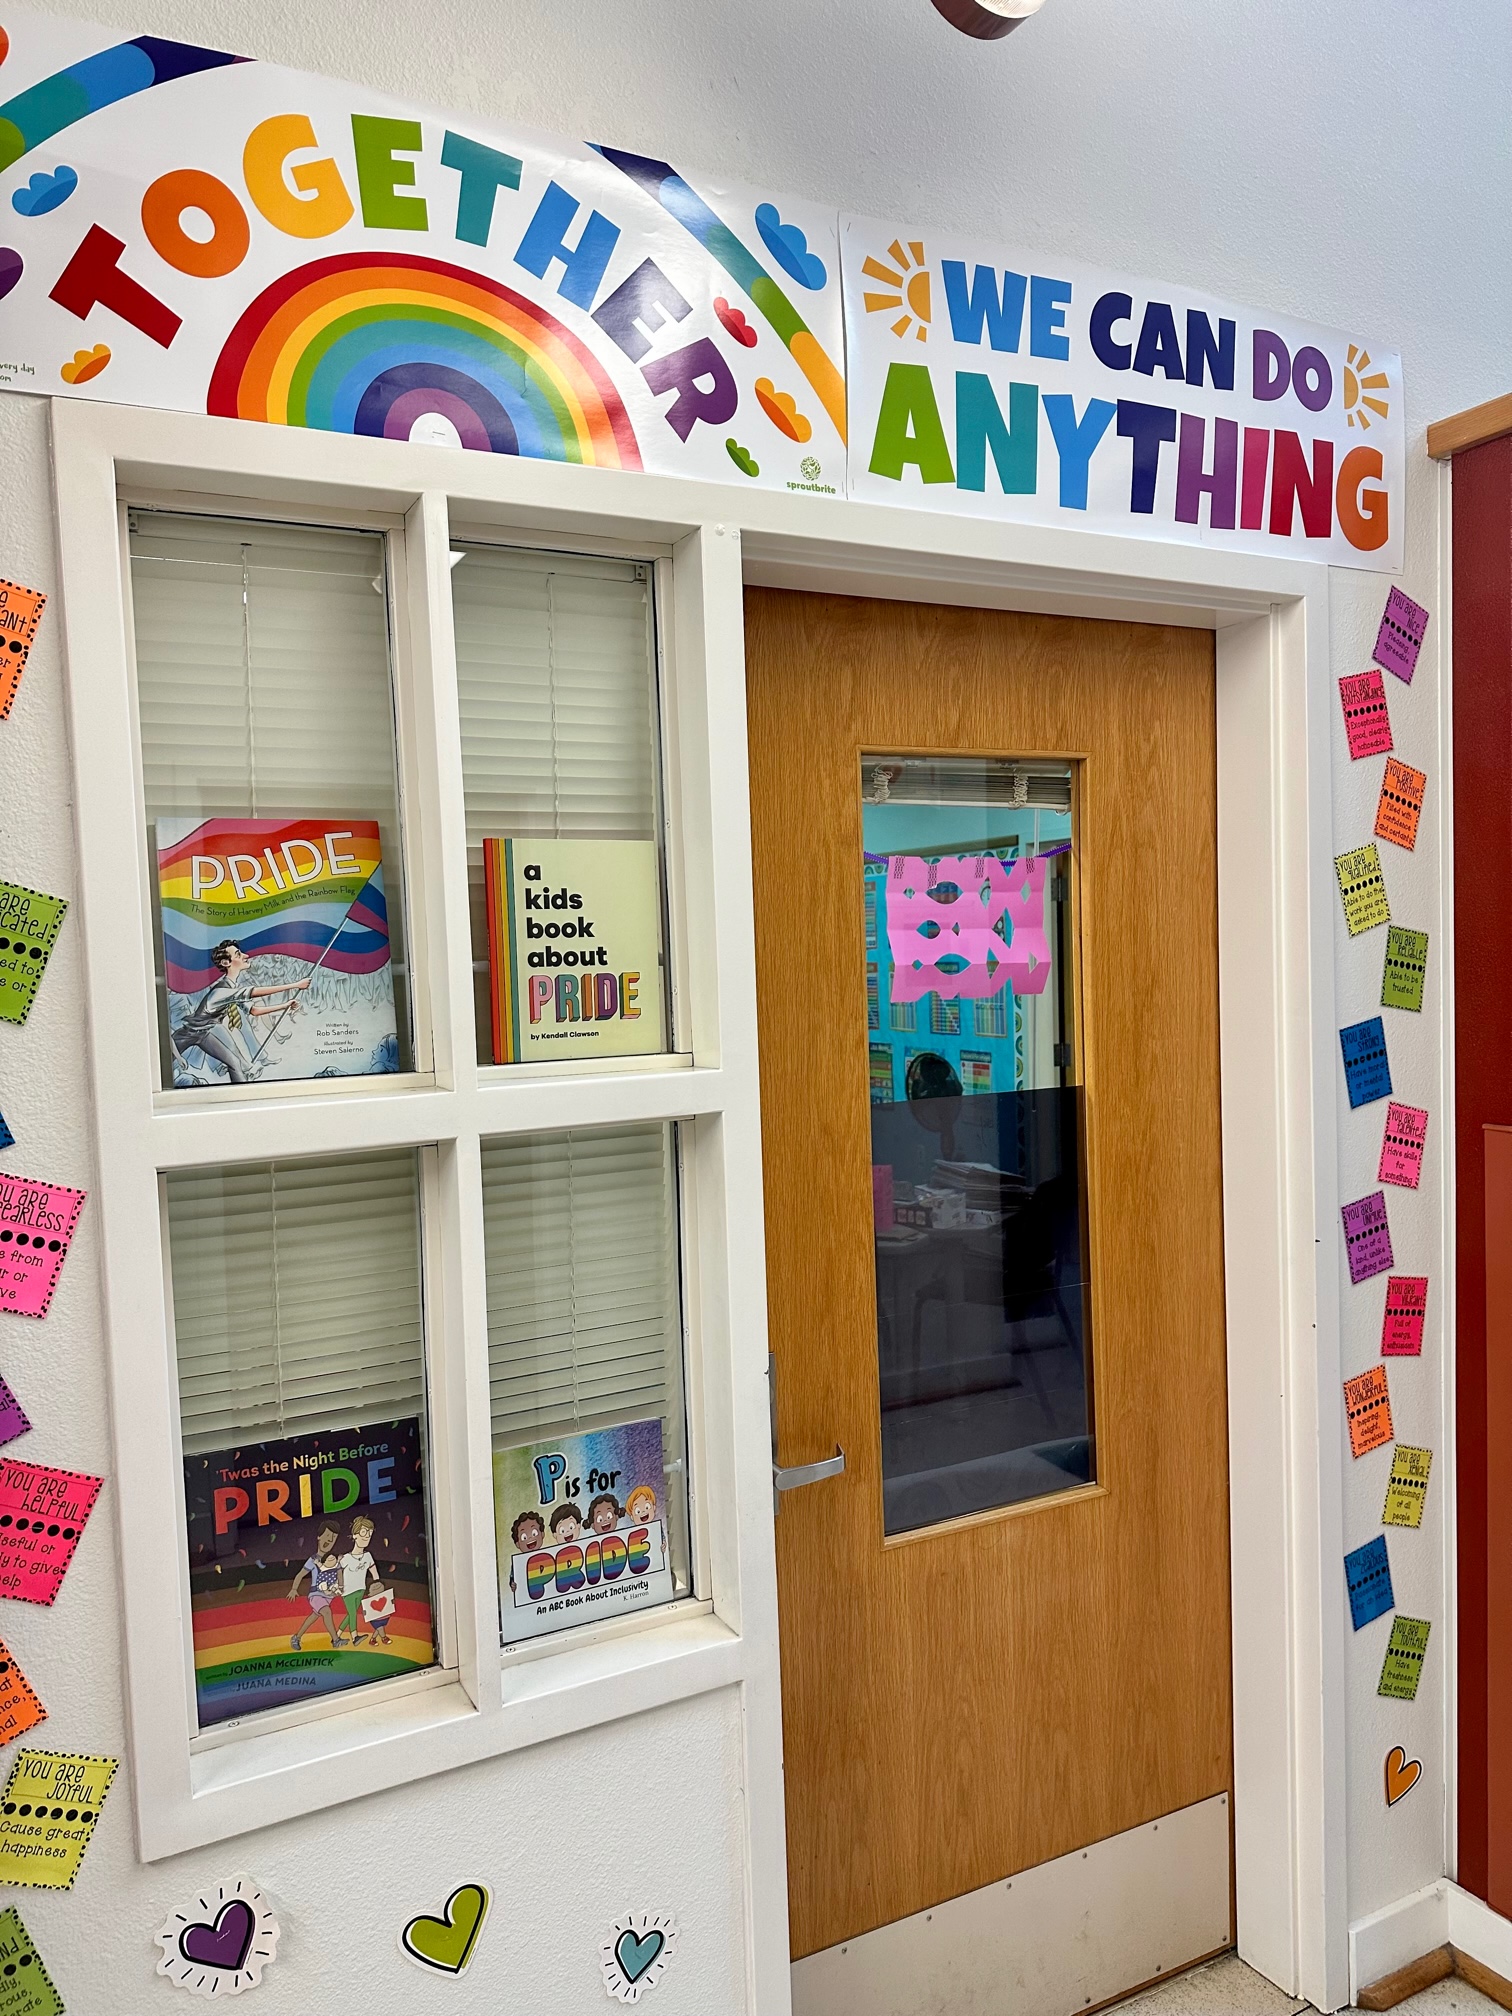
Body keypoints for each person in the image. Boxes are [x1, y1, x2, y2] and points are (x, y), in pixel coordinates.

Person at [170, 940, 311, 1086]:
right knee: (165, 1062)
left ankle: (242, 1093)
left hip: (204, 1034)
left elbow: (254, 1011)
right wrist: (296, 985)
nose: (245, 955)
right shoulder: (220, 992)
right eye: (238, 954)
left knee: (234, 1063)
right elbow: (252, 992)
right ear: (226, 962)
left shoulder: (232, 988)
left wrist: (285, 1005)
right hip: (186, 1036)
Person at [288, 1526, 342, 1652]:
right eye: (327, 1536)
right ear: (319, 1537)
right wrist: (294, 1588)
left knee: (314, 1616)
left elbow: (339, 1574)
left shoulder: (334, 1559)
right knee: (327, 1612)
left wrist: (340, 1587)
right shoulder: (313, 1560)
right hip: (316, 1594)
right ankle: (336, 1640)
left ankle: (296, 1637)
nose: (329, 1540)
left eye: (333, 1538)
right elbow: (300, 1574)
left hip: (329, 1596)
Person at [337, 1515, 378, 1646]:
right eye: (364, 1532)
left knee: (351, 1614)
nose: (367, 1537)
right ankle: (355, 1637)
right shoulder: (346, 1558)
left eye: (369, 1534)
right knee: (353, 1613)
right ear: (355, 1535)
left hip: (361, 1589)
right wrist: (340, 1585)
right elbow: (337, 1571)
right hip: (348, 1591)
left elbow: (374, 1572)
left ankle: (336, 1635)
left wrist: (377, 1586)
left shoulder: (368, 1556)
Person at [360, 1581, 395, 1647]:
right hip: (375, 1619)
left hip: (384, 1617)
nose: (377, 1587)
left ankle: (373, 1639)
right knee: (380, 1628)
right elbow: (366, 1608)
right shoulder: (369, 1600)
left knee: (379, 1629)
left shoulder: (385, 1596)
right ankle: (384, 1638)